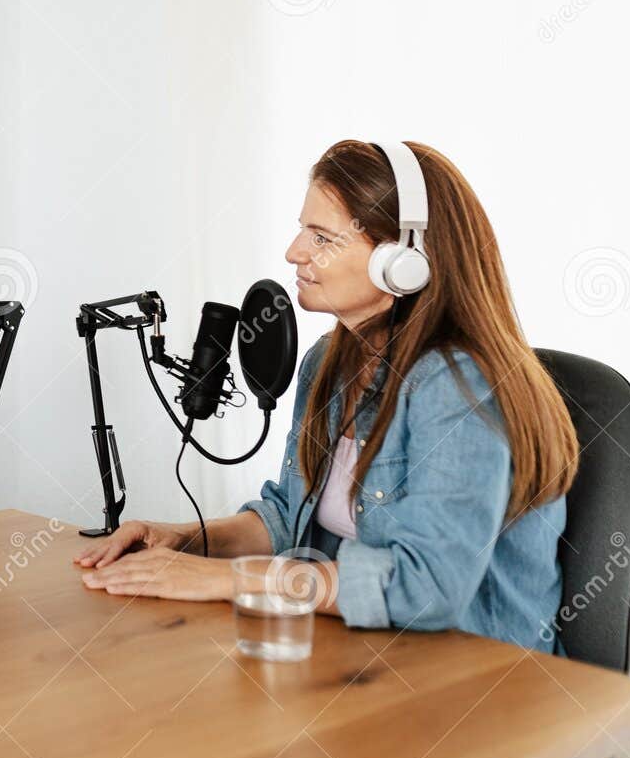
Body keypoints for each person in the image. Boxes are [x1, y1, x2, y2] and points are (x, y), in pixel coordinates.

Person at [74, 140, 579, 653]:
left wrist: (229, 580)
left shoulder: (456, 387)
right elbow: (291, 514)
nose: (295, 252)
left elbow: (428, 587)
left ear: (404, 262)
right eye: (302, 231)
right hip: (375, 656)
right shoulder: (327, 363)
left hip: (487, 682)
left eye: (322, 237)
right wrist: (187, 540)